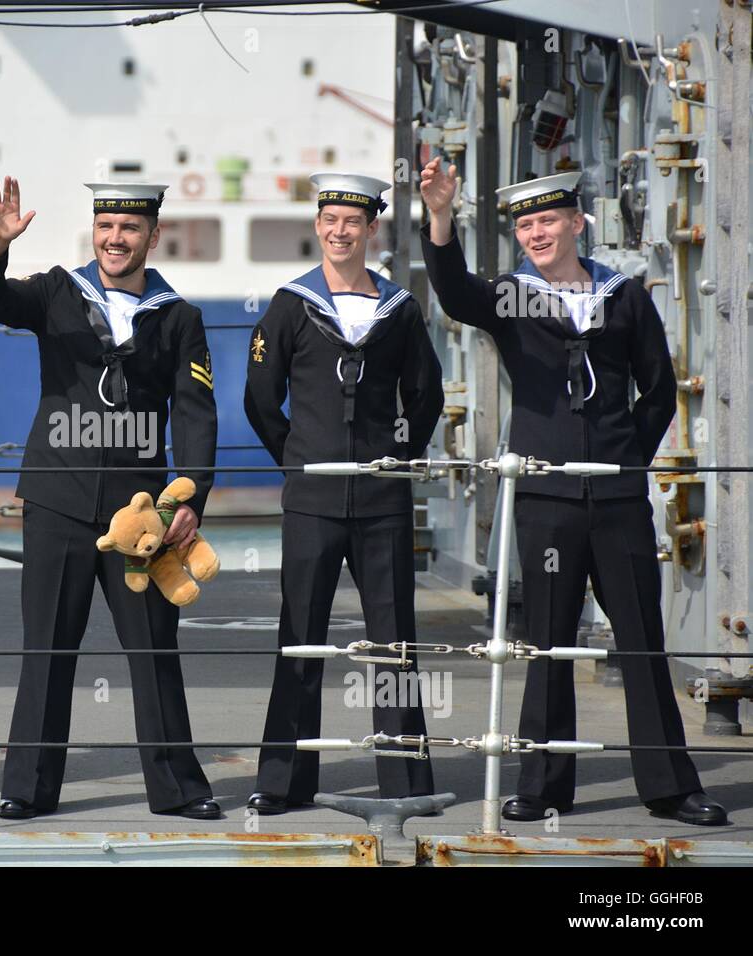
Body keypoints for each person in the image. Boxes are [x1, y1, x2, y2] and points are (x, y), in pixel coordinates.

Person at [419, 158, 726, 826]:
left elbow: (656, 388)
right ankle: (542, 785)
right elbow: (453, 293)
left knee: (642, 640)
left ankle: (672, 786)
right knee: (548, 642)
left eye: (548, 220)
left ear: (577, 222)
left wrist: (623, 461)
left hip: (616, 502)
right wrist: (440, 216)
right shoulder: (510, 297)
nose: (536, 233)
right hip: (545, 501)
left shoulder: (625, 296)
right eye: (526, 224)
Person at [0, 177, 221, 820]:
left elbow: (195, 412)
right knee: (47, 648)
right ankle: (27, 787)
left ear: (152, 236)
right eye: (106, 227)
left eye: (130, 229)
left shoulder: (179, 317)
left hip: (143, 515)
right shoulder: (55, 292)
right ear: (95, 230)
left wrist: (191, 496)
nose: (115, 239)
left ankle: (178, 788)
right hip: (56, 502)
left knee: (155, 649)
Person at [244, 173, 444, 814]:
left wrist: (400, 459)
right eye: (329, 218)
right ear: (318, 223)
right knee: (299, 638)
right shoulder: (289, 304)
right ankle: (282, 781)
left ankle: (406, 782)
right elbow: (259, 399)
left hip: (383, 501)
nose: (339, 230)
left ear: (371, 229)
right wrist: (298, 463)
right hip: (313, 501)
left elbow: (427, 393)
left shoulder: (400, 309)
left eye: (351, 221)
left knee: (395, 641)